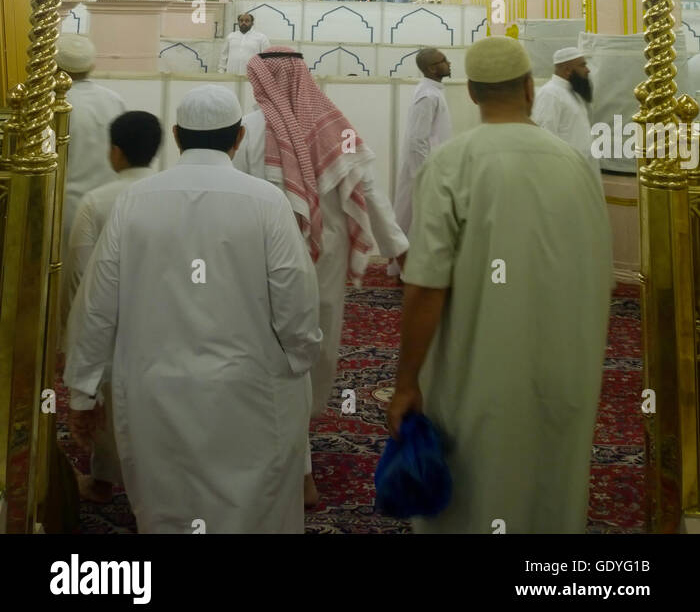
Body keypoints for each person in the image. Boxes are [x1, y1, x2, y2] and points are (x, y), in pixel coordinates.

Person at [64, 84, 322, 534]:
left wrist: (84, 390)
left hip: (154, 387)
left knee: (169, 509)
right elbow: (296, 299)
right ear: (239, 137)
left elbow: (98, 302)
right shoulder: (267, 202)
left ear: (179, 136)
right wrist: (299, 359)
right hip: (252, 387)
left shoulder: (133, 202)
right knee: (254, 509)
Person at [388, 36, 612, 535]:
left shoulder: (452, 163)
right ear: (530, 89)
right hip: (564, 365)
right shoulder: (574, 164)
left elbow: (425, 286)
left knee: (476, 486)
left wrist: (406, 382)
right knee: (551, 483)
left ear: (471, 93)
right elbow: (599, 270)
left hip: (477, 368)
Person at [238, 48, 408, 507]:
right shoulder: (334, 126)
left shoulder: (251, 130)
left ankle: (289, 445)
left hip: (272, 259)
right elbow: (368, 191)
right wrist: (398, 250)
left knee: (287, 348)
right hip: (318, 258)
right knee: (312, 347)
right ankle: (302, 459)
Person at [61, 110, 162, 505]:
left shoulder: (97, 201)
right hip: (165, 319)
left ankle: (103, 480)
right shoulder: (169, 193)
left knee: (106, 396)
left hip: (111, 321)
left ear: (116, 152)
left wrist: (71, 339)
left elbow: (80, 279)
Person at [56, 34, 124, 253]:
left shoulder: (52, 104)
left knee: (65, 283)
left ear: (53, 67)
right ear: (92, 65)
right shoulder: (114, 100)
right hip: (108, 207)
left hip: (65, 209)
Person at [393, 48, 452, 238]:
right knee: (414, 222)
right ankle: (405, 266)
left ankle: (405, 266)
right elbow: (417, 140)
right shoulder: (428, 95)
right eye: (444, 60)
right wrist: (424, 176)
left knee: (416, 221)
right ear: (432, 69)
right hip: (422, 169)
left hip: (429, 167)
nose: (449, 63)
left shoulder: (433, 92)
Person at [532, 47, 597, 174]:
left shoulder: (573, 93)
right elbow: (545, 140)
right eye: (582, 65)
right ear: (567, 70)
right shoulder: (550, 94)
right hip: (565, 172)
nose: (588, 70)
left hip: (581, 170)